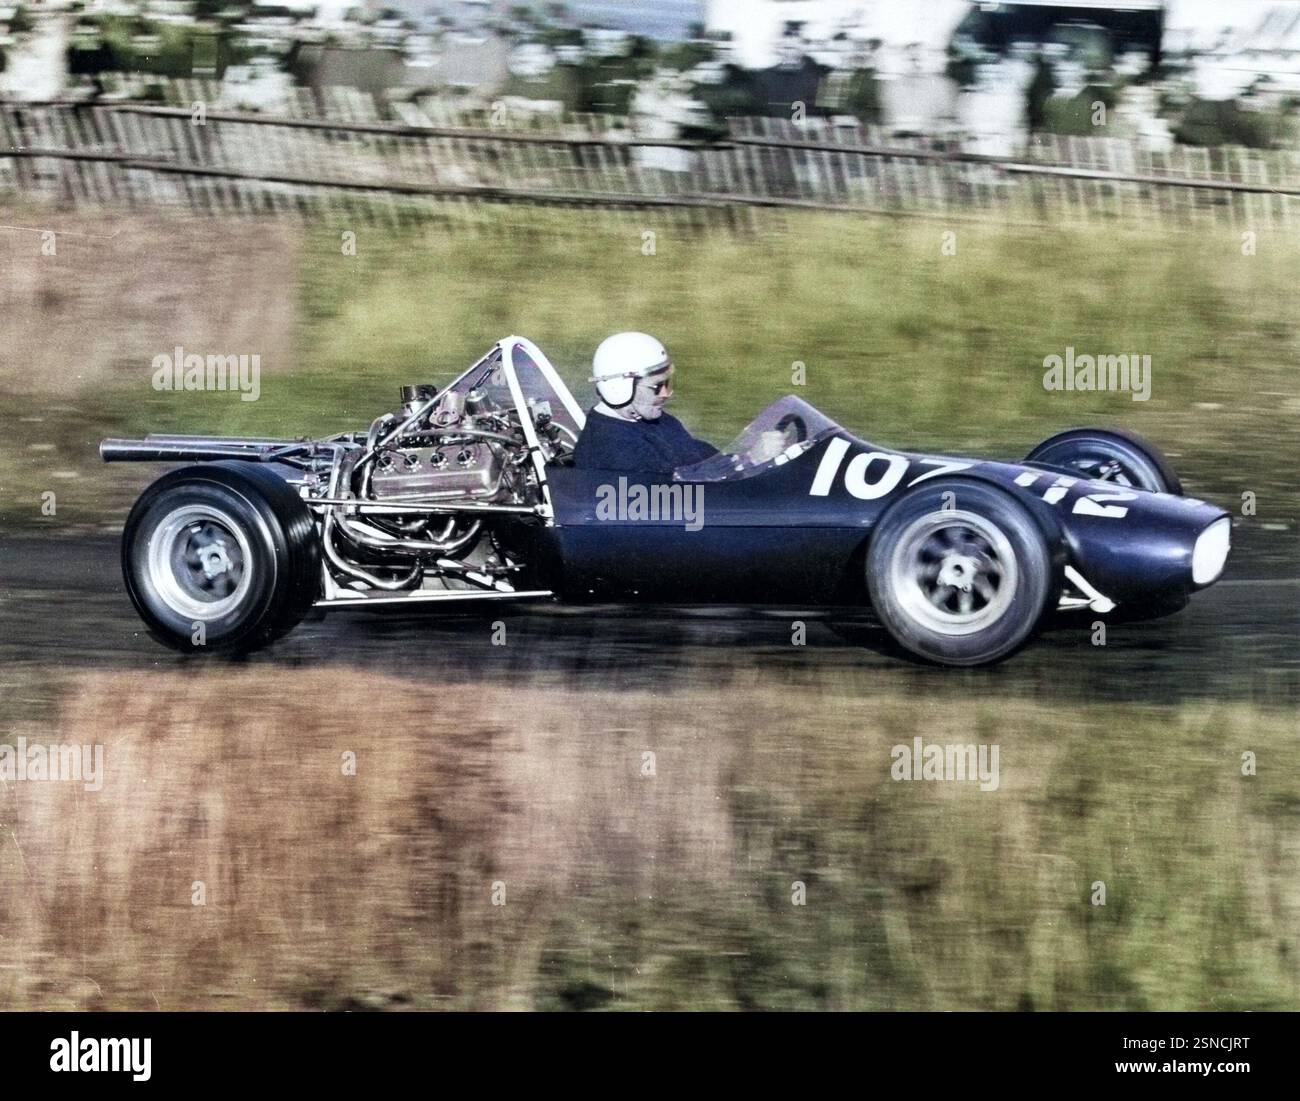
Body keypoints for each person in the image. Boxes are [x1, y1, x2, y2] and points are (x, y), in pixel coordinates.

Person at [572, 331, 720, 474]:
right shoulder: (609, 447)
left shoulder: (659, 421)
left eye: (668, 383)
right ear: (618, 387)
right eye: (657, 386)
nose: (667, 393)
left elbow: (697, 453)